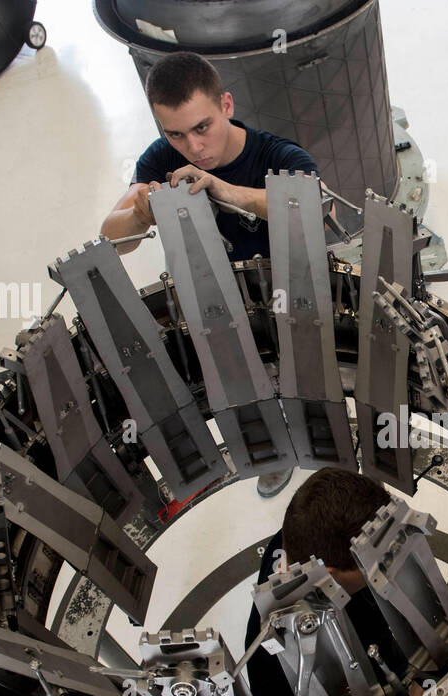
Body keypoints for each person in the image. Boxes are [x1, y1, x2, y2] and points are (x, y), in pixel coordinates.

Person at [102, 51, 319, 498]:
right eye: (176, 134)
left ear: (226, 105)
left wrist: (224, 189)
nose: (194, 148)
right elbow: (113, 239)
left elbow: (316, 207)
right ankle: (272, 453)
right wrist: (141, 209)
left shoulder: (276, 154)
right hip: (210, 302)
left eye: (203, 127)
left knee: (303, 379)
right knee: (236, 388)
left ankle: (311, 438)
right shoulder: (159, 160)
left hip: (279, 298)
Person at [243, 468, 415, 696]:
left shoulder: (301, 535)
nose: (382, 566)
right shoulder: (327, 632)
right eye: (372, 564)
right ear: (330, 577)